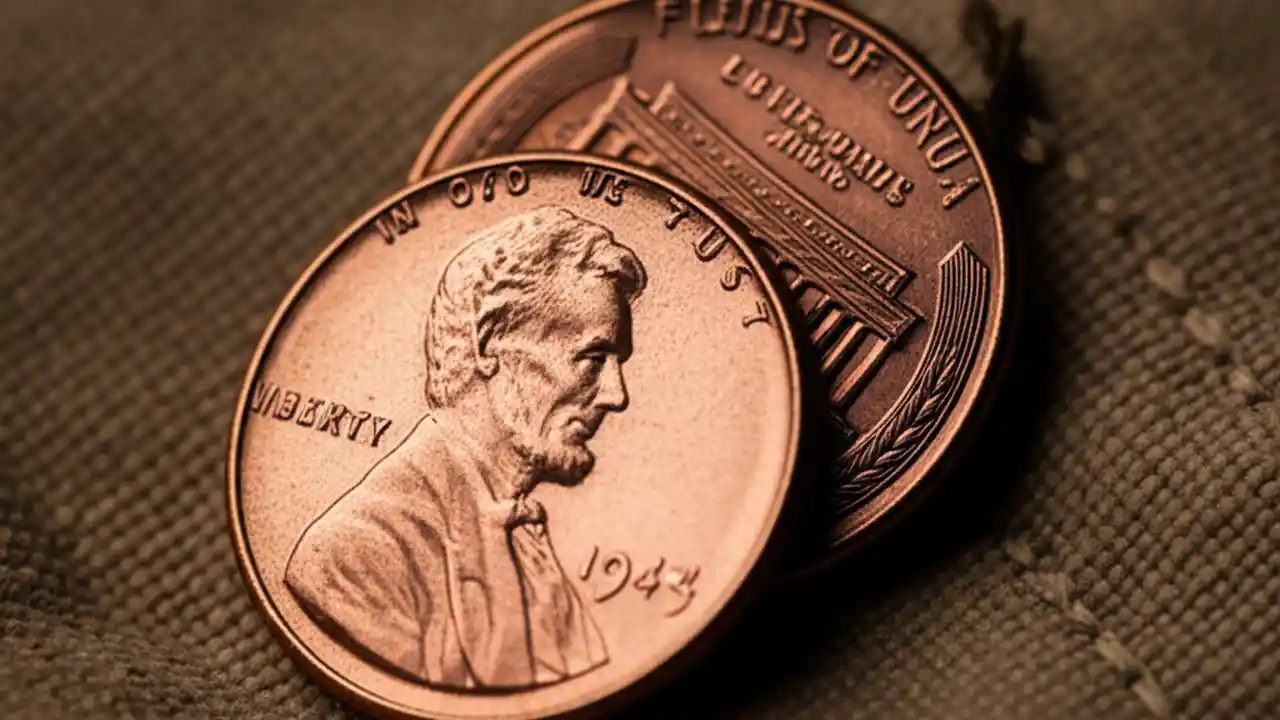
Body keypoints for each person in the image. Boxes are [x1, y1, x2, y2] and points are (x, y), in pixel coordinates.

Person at [284, 206, 646, 690]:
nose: (615, 396)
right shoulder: (352, 555)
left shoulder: (518, 525)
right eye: (593, 357)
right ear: (489, 344)